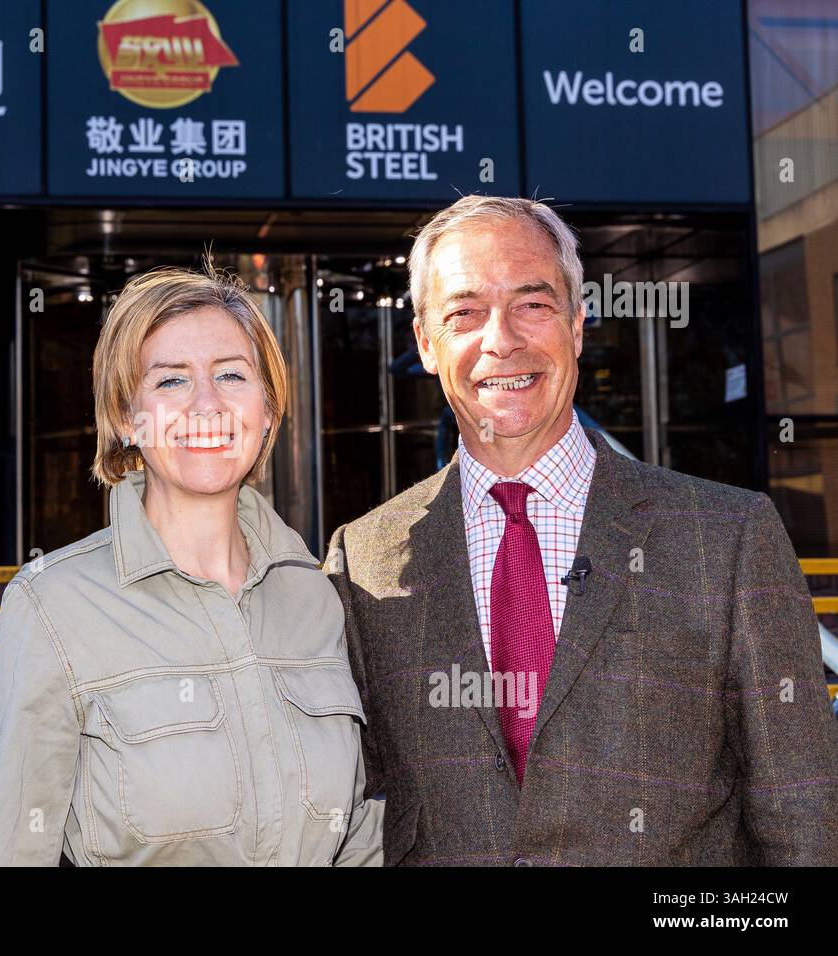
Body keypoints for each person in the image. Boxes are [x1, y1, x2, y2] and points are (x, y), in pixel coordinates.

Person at [327, 194, 838, 866]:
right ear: (425, 342)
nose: (501, 339)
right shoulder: (360, 560)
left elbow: (802, 816)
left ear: (577, 322)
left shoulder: (729, 539)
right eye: (465, 312)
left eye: (532, 304)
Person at [0, 265, 381, 866]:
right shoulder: (55, 606)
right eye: (170, 382)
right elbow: (10, 850)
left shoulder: (319, 598)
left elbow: (361, 838)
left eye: (232, 375)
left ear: (267, 409)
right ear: (127, 418)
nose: (206, 404)